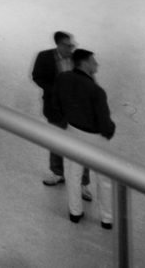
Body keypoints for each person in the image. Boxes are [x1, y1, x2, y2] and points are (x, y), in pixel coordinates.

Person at [56, 49, 115, 227]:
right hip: (94, 137)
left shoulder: (63, 78)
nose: (96, 64)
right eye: (93, 61)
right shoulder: (97, 91)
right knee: (104, 178)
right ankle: (107, 218)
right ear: (84, 63)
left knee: (73, 173)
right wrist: (110, 130)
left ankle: (75, 212)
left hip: (72, 132)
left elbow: (55, 104)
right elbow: (105, 123)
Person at [31, 30, 89, 191]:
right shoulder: (44, 57)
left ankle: (83, 184)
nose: (70, 48)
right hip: (55, 107)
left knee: (81, 146)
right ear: (58, 45)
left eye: (72, 45)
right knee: (56, 141)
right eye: (67, 45)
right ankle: (58, 173)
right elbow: (37, 76)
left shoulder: (77, 59)